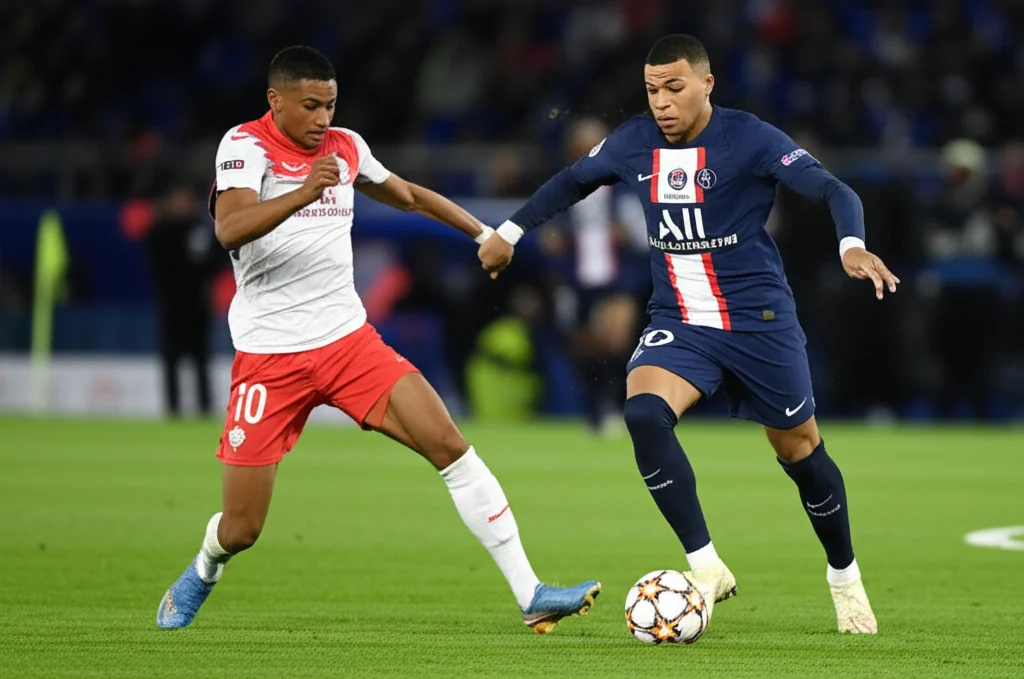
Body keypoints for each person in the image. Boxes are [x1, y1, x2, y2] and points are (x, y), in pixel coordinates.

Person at [156, 46, 599, 633]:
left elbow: (411, 195)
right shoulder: (245, 147)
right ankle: (206, 566)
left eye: (331, 105)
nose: (322, 118)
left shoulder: (346, 147)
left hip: (348, 344)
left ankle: (531, 593)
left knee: (450, 445)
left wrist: (487, 232)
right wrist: (301, 194)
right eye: (310, 106)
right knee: (243, 528)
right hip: (270, 356)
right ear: (275, 101)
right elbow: (229, 228)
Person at [478, 35, 899, 634]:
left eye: (674, 88)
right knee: (644, 415)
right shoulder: (633, 142)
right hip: (679, 320)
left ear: (707, 83)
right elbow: (572, 181)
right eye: (652, 91)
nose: (661, 104)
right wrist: (510, 232)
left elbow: (834, 189)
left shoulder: (750, 138)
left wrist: (851, 245)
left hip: (759, 323)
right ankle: (707, 566)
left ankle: (844, 576)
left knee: (800, 452)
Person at [543, 118, 646, 435]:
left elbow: (646, 233)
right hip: (575, 282)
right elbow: (547, 232)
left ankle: (613, 404)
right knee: (583, 346)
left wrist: (629, 233)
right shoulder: (563, 188)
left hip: (617, 280)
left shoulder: (626, 185)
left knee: (615, 338)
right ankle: (596, 405)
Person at [144, 180, 222, 418]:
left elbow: (217, 258)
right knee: (171, 362)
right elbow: (160, 268)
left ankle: (205, 409)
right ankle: (173, 410)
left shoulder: (200, 230)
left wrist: (200, 270)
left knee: (201, 362)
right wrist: (192, 266)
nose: (183, 204)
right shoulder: (159, 232)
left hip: (197, 307)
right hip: (171, 308)